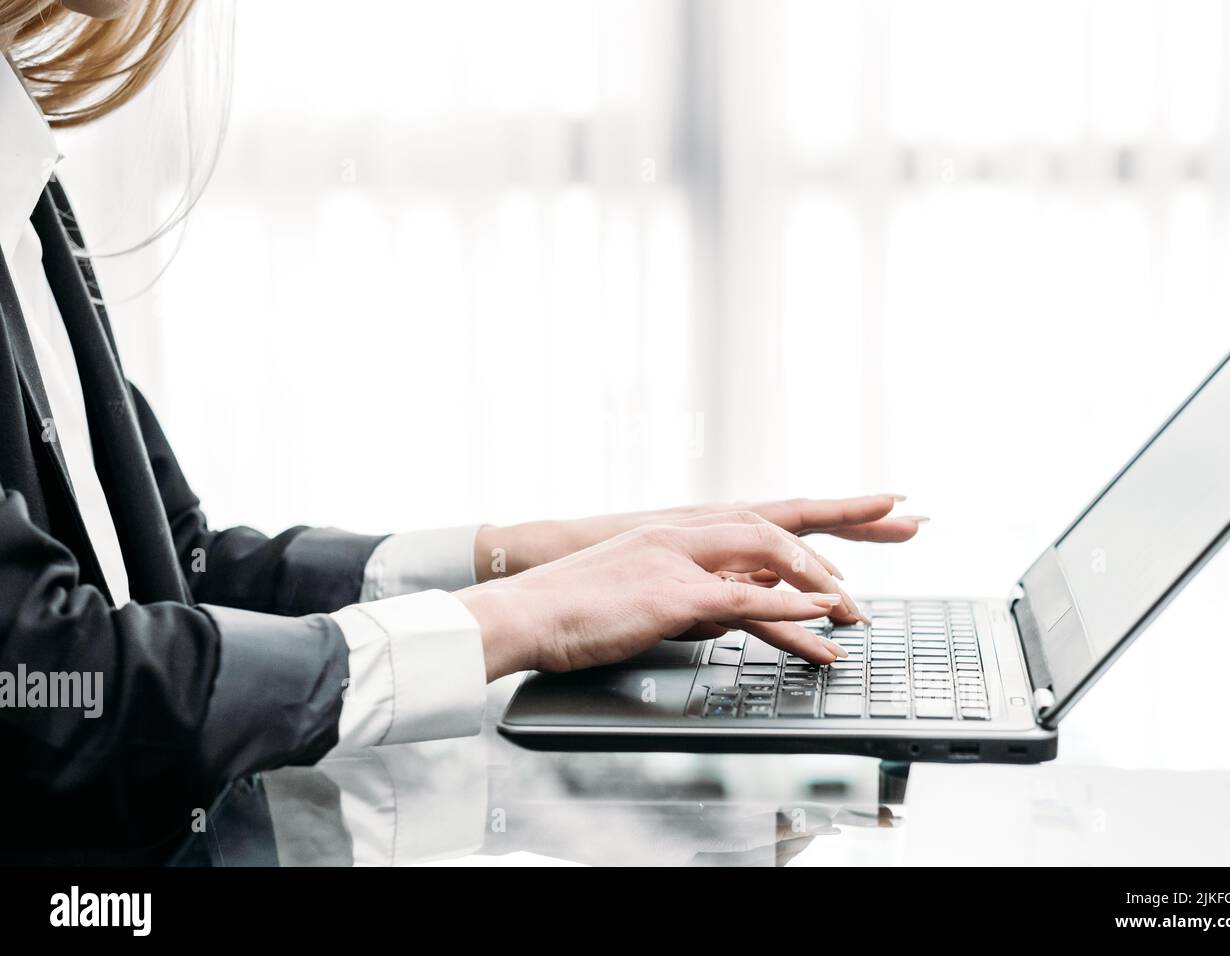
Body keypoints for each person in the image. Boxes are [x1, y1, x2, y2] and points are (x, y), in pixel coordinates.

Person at [0, 0, 925, 857]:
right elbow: (61, 686)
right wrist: (520, 619)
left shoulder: (23, 172)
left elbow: (186, 576)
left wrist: (549, 562)